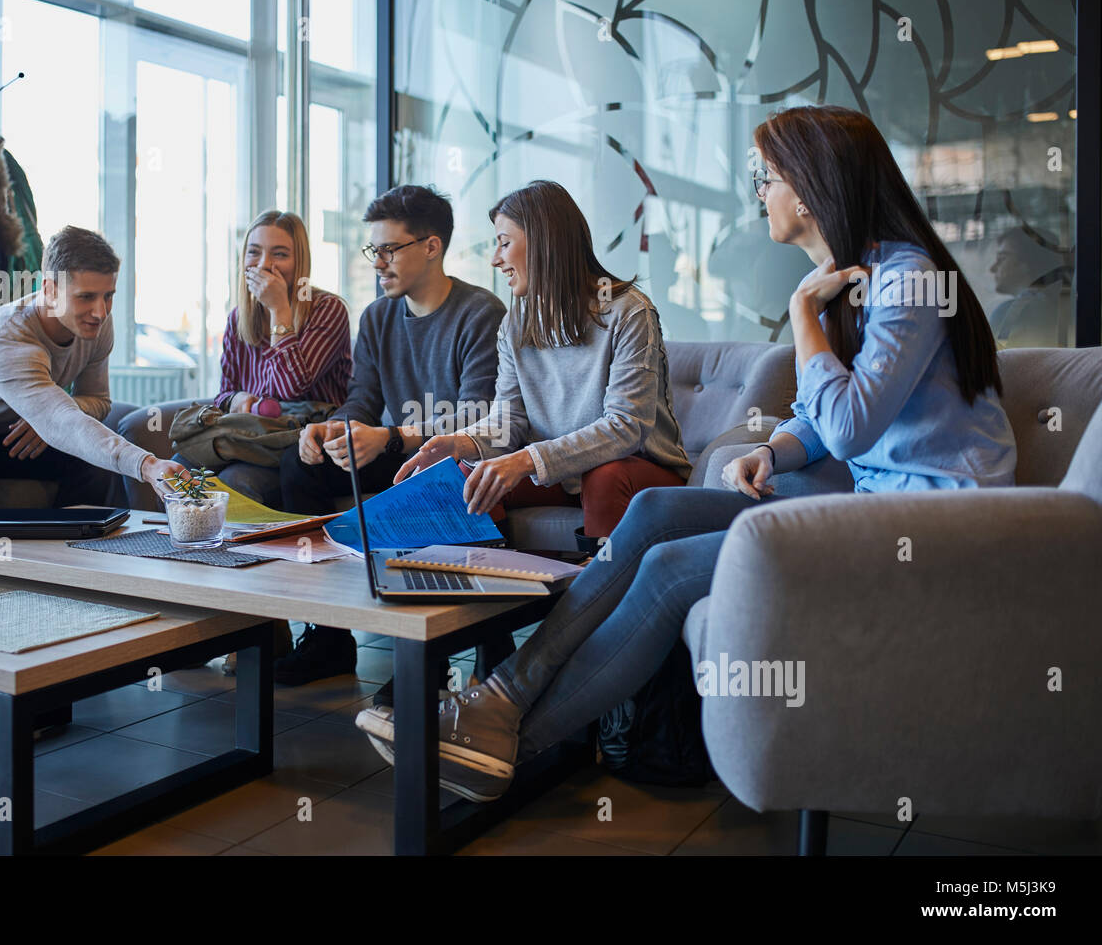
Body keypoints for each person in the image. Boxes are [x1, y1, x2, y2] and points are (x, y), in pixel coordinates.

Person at [355, 105, 1018, 801]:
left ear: (814, 181)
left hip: (935, 522)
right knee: (651, 514)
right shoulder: (858, 278)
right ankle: (494, 708)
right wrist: (777, 452)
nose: (758, 191)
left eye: (766, 175)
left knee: (671, 568)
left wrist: (802, 321)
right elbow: (826, 419)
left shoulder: (905, 279)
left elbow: (851, 426)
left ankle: (503, 735)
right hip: (866, 501)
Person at [274, 184, 505, 686]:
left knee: (423, 477)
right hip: (398, 446)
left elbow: (481, 416)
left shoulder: (480, 313)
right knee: (301, 465)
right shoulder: (378, 316)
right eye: (372, 250)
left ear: (431, 246)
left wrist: (392, 436)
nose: (377, 262)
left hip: (457, 454)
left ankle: (432, 656)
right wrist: (335, 427)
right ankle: (329, 638)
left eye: (389, 249)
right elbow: (363, 399)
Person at [390, 179, 692, 552]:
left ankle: (596, 601)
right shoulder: (515, 325)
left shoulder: (629, 312)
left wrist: (526, 460)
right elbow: (509, 420)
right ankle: (489, 597)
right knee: (466, 477)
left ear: (544, 241)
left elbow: (625, 428)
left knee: (604, 475)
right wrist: (462, 443)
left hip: (638, 471)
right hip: (561, 473)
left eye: (504, 242)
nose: (495, 259)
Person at [0, 226, 189, 582]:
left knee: (90, 455)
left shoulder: (95, 326)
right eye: (86, 297)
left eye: (109, 296)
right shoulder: (8, 341)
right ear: (50, 289)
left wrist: (47, 415)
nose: (100, 311)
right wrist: (147, 465)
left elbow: (98, 401)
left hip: (3, 437)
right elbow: (62, 420)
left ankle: (75, 569)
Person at [186, 210, 351, 508]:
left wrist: (279, 310)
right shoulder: (239, 318)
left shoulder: (329, 309)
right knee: (180, 471)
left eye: (280, 254)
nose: (264, 265)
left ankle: (241, 556)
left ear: (299, 261)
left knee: (236, 484)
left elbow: (291, 388)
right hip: (251, 438)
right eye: (254, 252)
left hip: (301, 447)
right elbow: (224, 393)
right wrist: (240, 400)